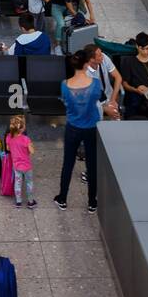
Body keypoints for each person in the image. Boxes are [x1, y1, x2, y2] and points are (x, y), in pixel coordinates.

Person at [54, 51, 100, 213]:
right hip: (91, 128)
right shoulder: (95, 84)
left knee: (68, 163)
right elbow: (97, 100)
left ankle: (63, 198)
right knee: (92, 164)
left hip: (73, 127)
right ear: (86, 64)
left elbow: (66, 102)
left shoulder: (65, 85)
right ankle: (92, 202)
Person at [5, 114, 36, 208]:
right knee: (29, 182)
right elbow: (32, 151)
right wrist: (31, 145)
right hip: (27, 167)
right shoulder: (26, 139)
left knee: (17, 183)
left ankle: (18, 202)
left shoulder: (9, 137)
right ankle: (30, 201)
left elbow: (8, 149)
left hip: (16, 166)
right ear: (22, 129)